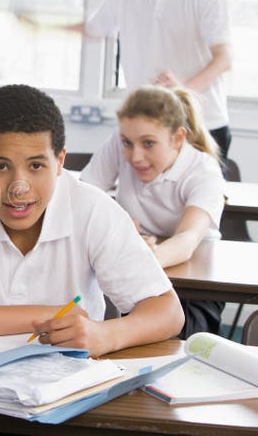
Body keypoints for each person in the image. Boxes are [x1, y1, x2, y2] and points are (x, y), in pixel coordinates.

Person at [0, 84, 184, 358]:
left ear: (59, 161)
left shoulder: (93, 208)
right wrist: (50, 314)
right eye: (1, 166)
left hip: (67, 380)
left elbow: (168, 311)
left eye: (36, 165)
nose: (18, 187)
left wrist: (106, 335)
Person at [81, 85, 225, 338]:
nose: (135, 156)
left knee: (175, 342)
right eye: (127, 142)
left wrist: (140, 255)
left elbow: (187, 240)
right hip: (138, 268)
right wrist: (119, 225)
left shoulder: (204, 171)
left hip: (193, 284)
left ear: (177, 138)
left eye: (148, 143)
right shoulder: (118, 144)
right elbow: (83, 197)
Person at [83, 0, 232, 159]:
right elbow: (94, 29)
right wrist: (43, 24)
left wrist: (180, 92)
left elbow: (224, 59)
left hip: (201, 125)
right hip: (148, 126)